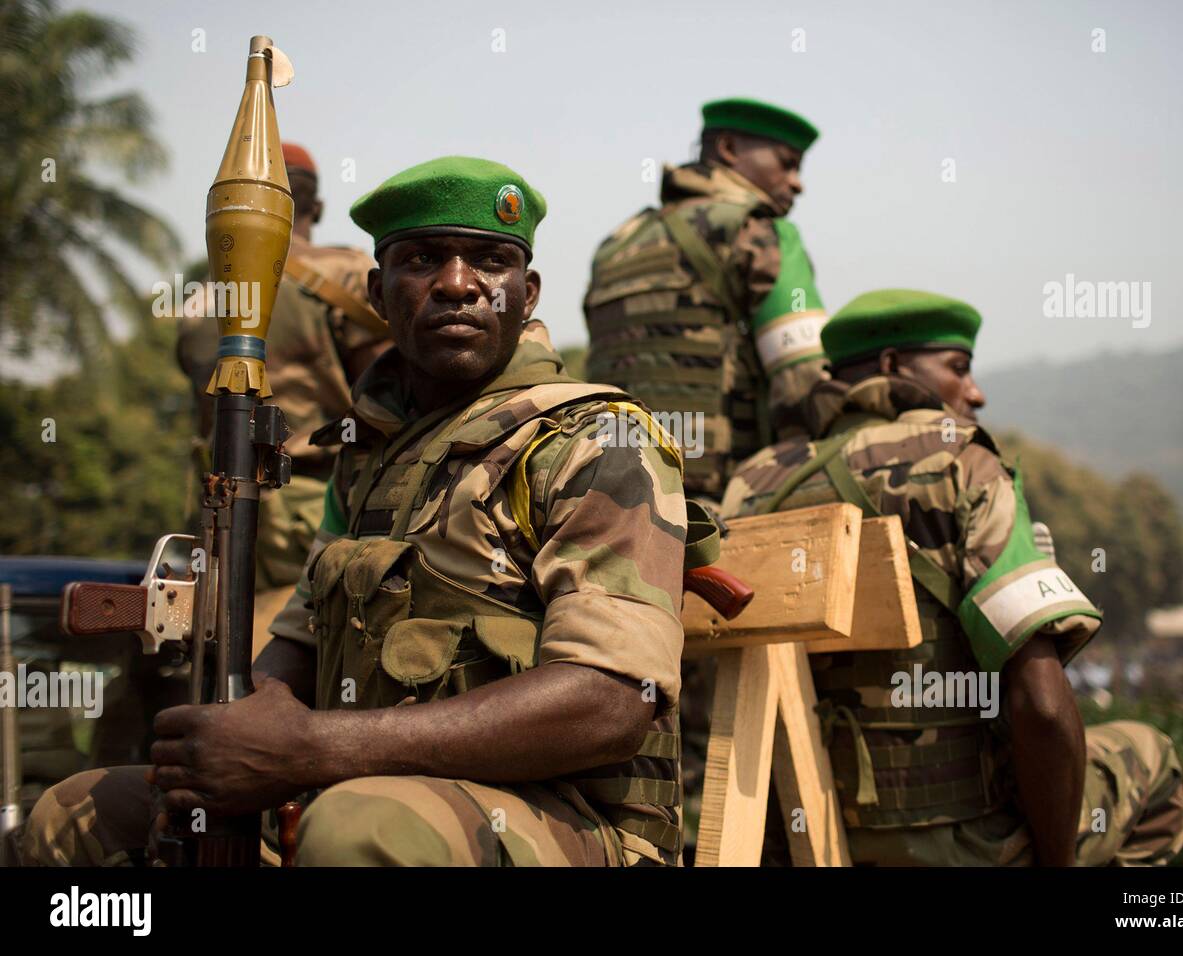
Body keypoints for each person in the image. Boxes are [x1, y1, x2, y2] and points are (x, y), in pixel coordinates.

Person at [22, 157, 690, 867]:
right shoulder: (367, 456)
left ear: (525, 295)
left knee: (358, 829)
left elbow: (610, 703)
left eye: (490, 261)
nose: (458, 284)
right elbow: (300, 643)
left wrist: (312, 750)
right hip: (359, 789)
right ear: (377, 293)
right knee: (77, 813)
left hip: (570, 822)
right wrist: (239, 734)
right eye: (423, 259)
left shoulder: (592, 439)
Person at [721, 289, 1183, 866]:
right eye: (959, 369)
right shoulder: (962, 464)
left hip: (802, 842)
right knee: (1153, 755)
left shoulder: (753, 484)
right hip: (965, 845)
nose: (976, 392)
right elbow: (1042, 706)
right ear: (894, 366)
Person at [583, 97, 831, 502]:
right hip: (722, 507)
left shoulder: (617, 242)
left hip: (612, 495)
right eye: (787, 164)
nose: (797, 183)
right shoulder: (761, 232)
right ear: (729, 149)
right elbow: (804, 382)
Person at [176, 142, 391, 595]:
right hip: (319, 505)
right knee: (314, 650)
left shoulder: (201, 298)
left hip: (220, 508)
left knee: (227, 643)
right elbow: (388, 403)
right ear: (317, 206)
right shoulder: (348, 275)